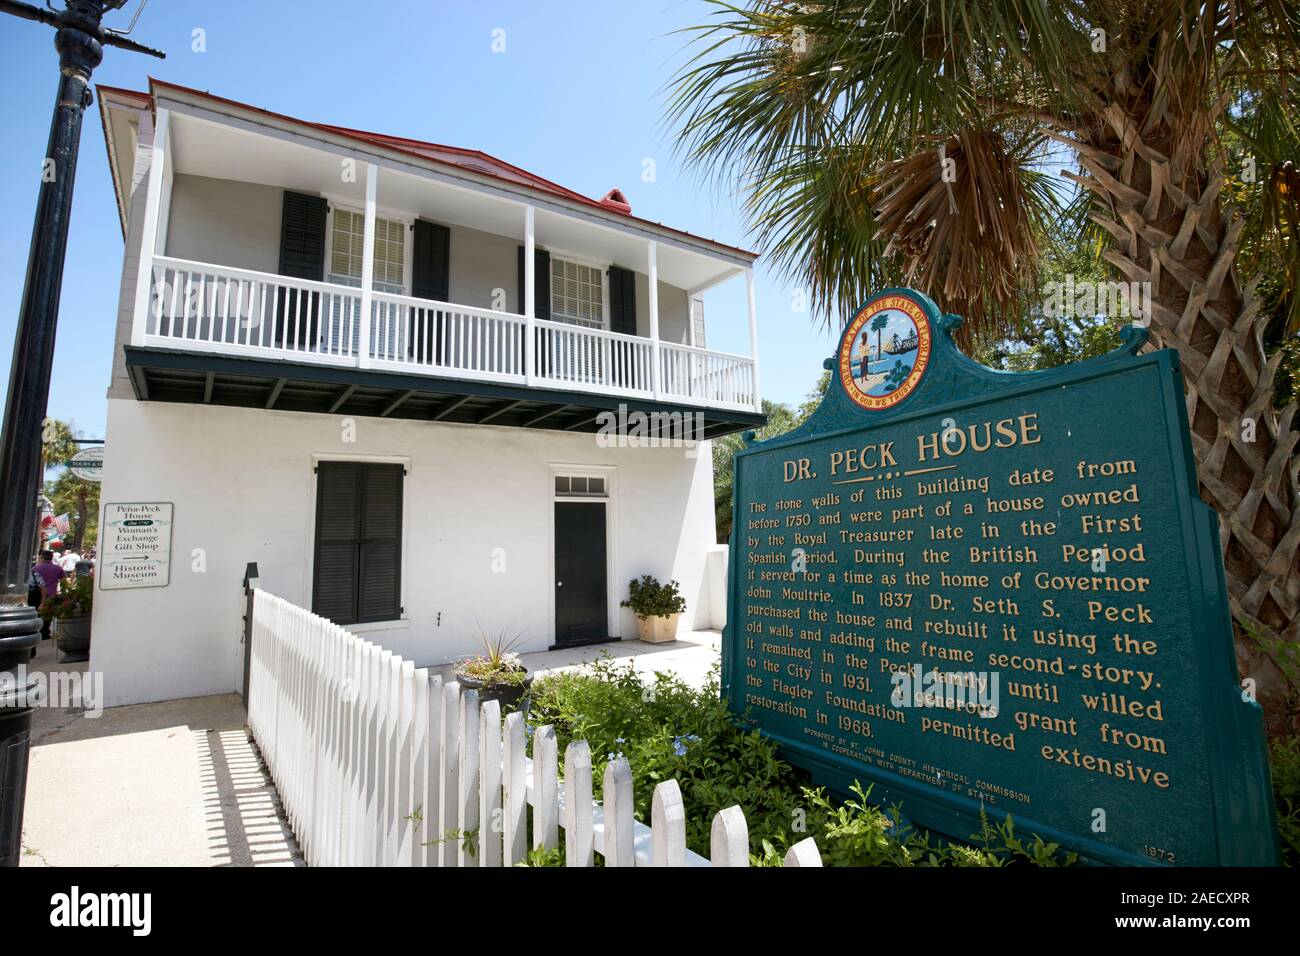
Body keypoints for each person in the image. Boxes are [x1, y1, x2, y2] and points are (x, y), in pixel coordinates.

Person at [29, 549, 64, 641]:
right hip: (51, 594)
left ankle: (37, 631)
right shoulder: (58, 568)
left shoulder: (35, 568)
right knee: (48, 615)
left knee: (37, 613)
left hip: (37, 594)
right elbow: (63, 581)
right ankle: (45, 632)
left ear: (42, 557)